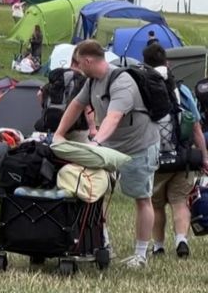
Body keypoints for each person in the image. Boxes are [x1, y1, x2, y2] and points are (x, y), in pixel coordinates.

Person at [53, 40, 160, 269]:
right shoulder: (92, 82)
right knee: (94, 190)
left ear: (88, 60)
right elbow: (76, 106)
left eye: (78, 62)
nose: (77, 67)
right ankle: (102, 243)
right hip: (110, 146)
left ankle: (140, 254)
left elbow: (114, 117)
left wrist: (96, 142)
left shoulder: (122, 81)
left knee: (142, 198)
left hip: (139, 145)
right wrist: (59, 134)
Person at [143, 43, 208, 258]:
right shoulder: (182, 90)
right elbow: (196, 127)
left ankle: (158, 246)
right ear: (167, 63)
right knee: (179, 201)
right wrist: (204, 156)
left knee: (156, 204)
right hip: (183, 157)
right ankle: (181, 240)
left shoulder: (143, 89)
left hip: (155, 158)